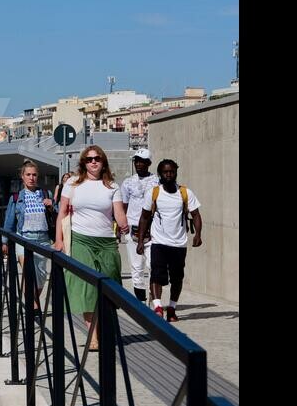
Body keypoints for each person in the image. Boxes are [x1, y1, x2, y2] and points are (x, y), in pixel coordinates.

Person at [53, 145, 130, 351]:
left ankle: (105, 327)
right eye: (89, 159)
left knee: (109, 287)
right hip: (80, 240)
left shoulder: (113, 186)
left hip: (106, 242)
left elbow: (119, 214)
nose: (93, 162)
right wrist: (59, 241)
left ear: (103, 162)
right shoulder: (73, 183)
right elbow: (61, 213)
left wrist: (127, 226)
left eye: (97, 159)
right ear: (83, 163)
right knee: (85, 289)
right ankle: (93, 336)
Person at [136, 159, 203, 322]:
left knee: (177, 278)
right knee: (157, 274)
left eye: (171, 172)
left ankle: (172, 308)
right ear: (160, 174)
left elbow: (196, 215)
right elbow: (144, 217)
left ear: (176, 173)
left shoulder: (185, 193)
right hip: (158, 242)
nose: (168, 174)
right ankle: (158, 307)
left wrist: (198, 235)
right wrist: (140, 240)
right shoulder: (154, 192)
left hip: (179, 243)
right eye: (165, 172)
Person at [3, 160, 55, 313]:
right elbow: (9, 220)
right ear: (22, 176)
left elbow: (55, 215)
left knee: (41, 276)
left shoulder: (46, 194)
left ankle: (33, 301)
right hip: (24, 239)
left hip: (43, 239)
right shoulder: (16, 198)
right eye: (28, 175)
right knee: (28, 272)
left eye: (34, 175)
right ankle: (33, 306)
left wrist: (51, 206)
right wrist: (4, 241)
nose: (31, 178)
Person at [120, 148, 159, 303]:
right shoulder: (128, 182)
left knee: (153, 265)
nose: (139, 164)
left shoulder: (157, 181)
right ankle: (140, 302)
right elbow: (123, 206)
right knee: (136, 267)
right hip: (133, 227)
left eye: (142, 161)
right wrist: (120, 226)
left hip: (153, 228)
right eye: (136, 161)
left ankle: (154, 298)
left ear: (149, 163)